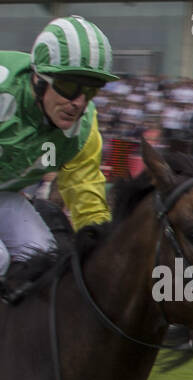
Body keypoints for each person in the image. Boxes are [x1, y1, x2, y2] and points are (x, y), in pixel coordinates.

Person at [0, 15, 118, 301]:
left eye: (90, 90)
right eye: (68, 87)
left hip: (5, 193)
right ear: (38, 79)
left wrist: (104, 252)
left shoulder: (83, 131)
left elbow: (85, 198)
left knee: (42, 254)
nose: (78, 101)